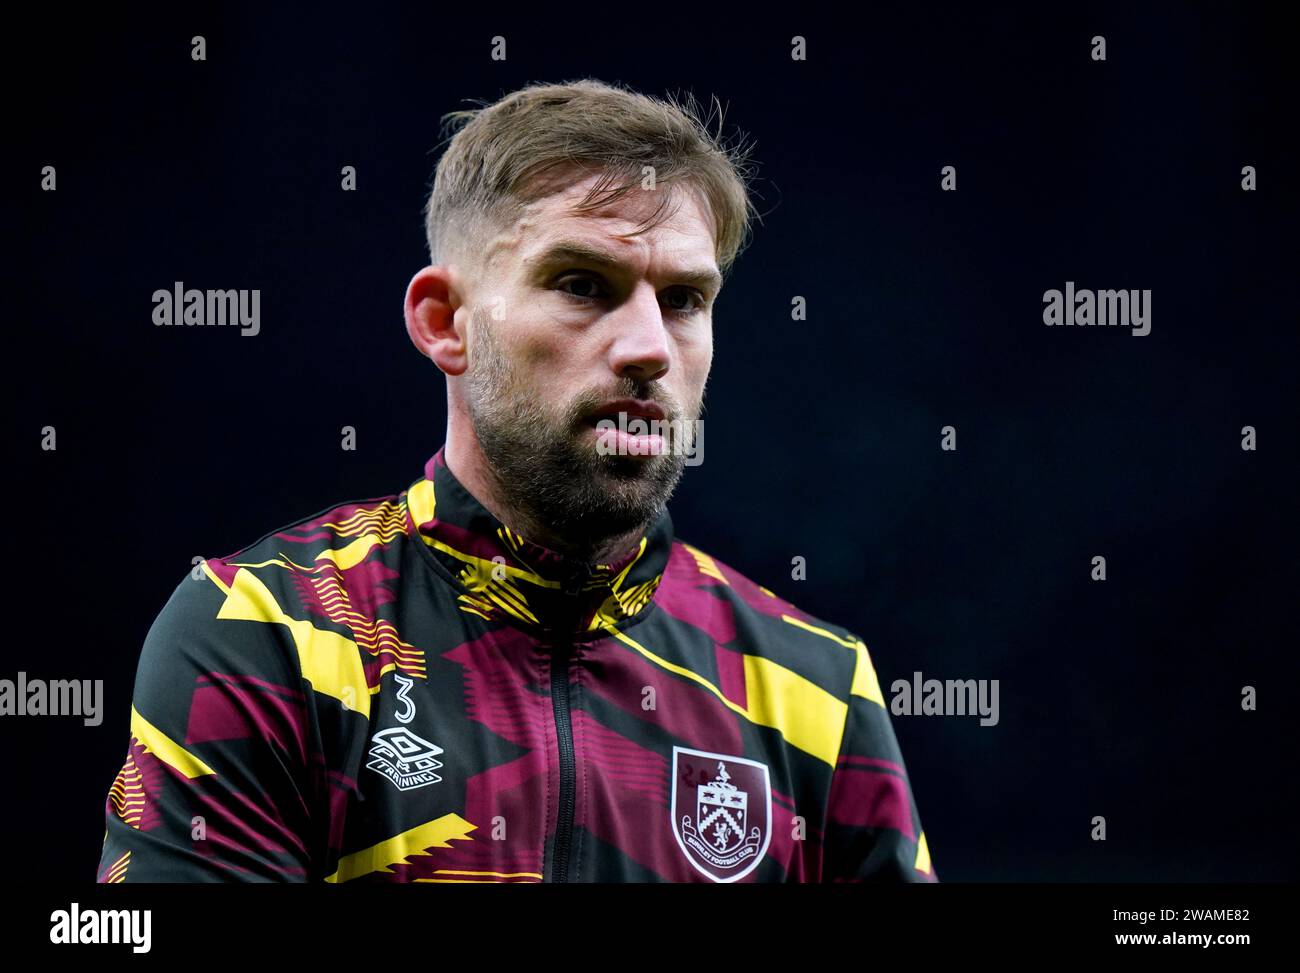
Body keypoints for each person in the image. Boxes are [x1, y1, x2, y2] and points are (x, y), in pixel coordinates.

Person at [96, 78, 936, 883]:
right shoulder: (272, 633)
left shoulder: (815, 690)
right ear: (444, 322)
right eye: (581, 284)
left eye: (682, 299)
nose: (649, 346)